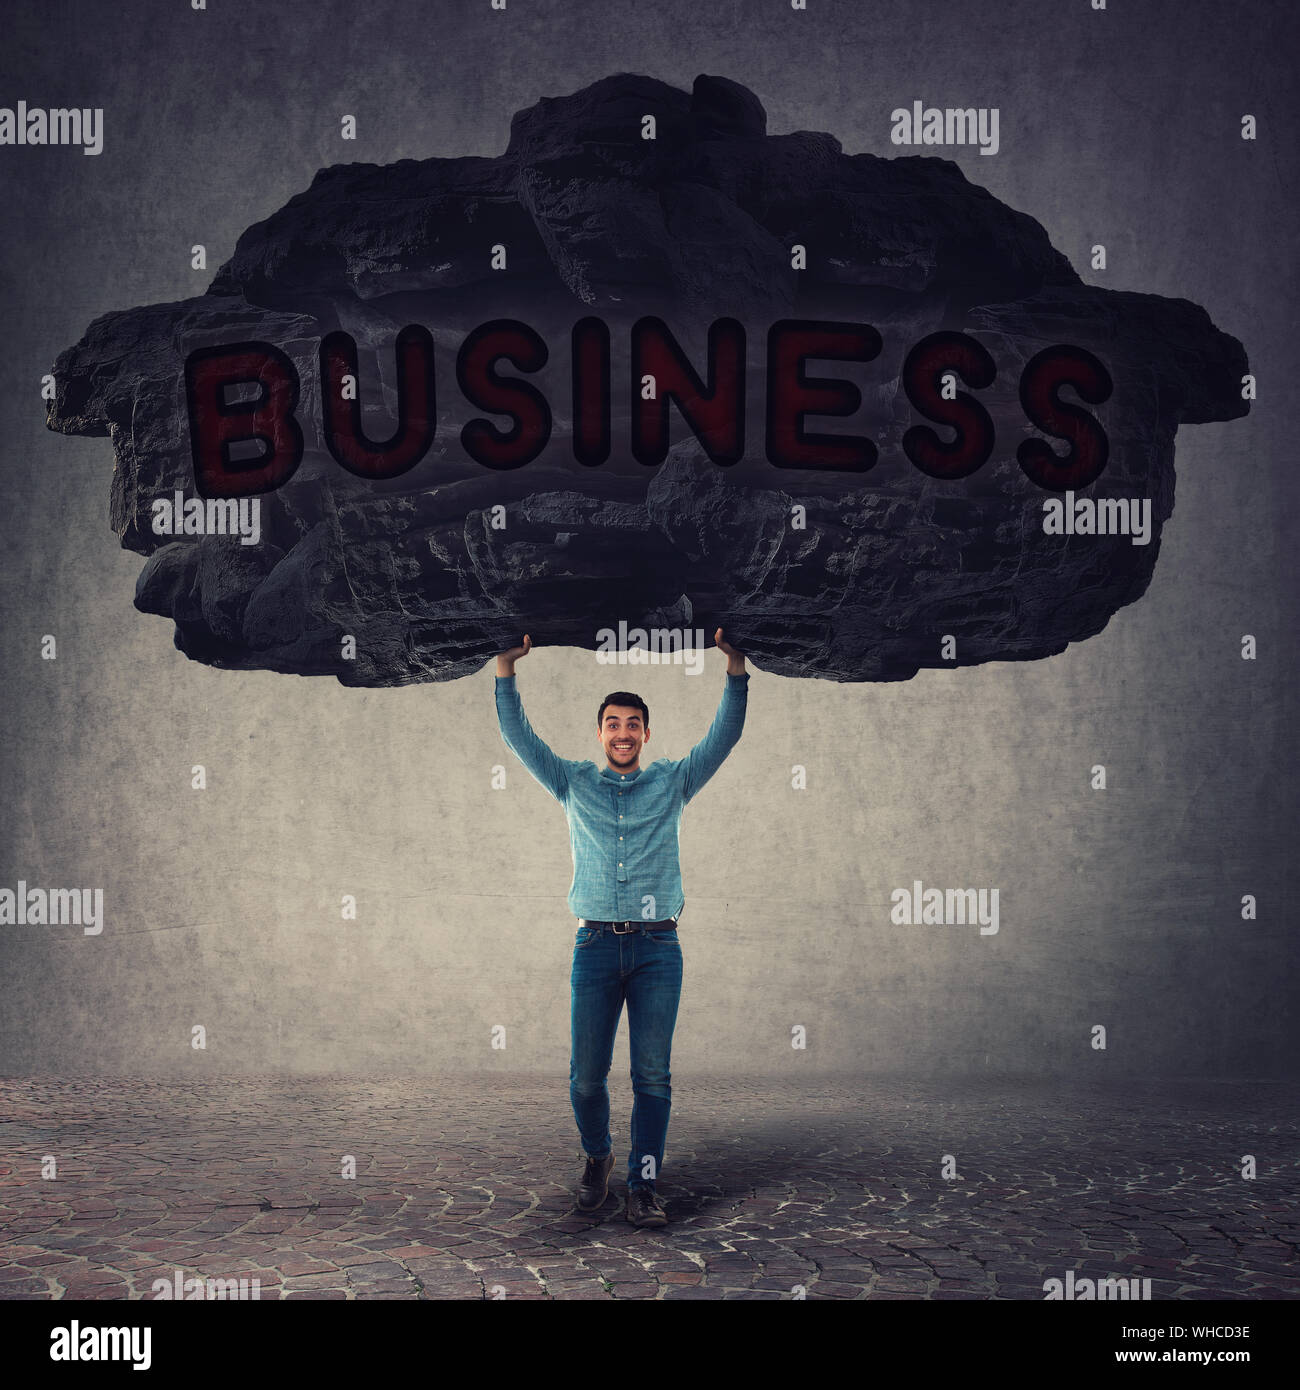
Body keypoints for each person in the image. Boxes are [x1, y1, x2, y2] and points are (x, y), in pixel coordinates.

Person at [494, 629, 748, 1227]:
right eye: (613, 723)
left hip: (660, 947)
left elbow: (725, 737)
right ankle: (598, 1157)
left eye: (633, 723)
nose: (624, 732)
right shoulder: (573, 782)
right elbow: (518, 738)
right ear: (600, 732)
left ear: (646, 733)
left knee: (652, 1076)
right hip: (595, 947)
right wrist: (505, 671)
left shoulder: (674, 781)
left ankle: (644, 1186)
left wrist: (736, 669)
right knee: (586, 1078)